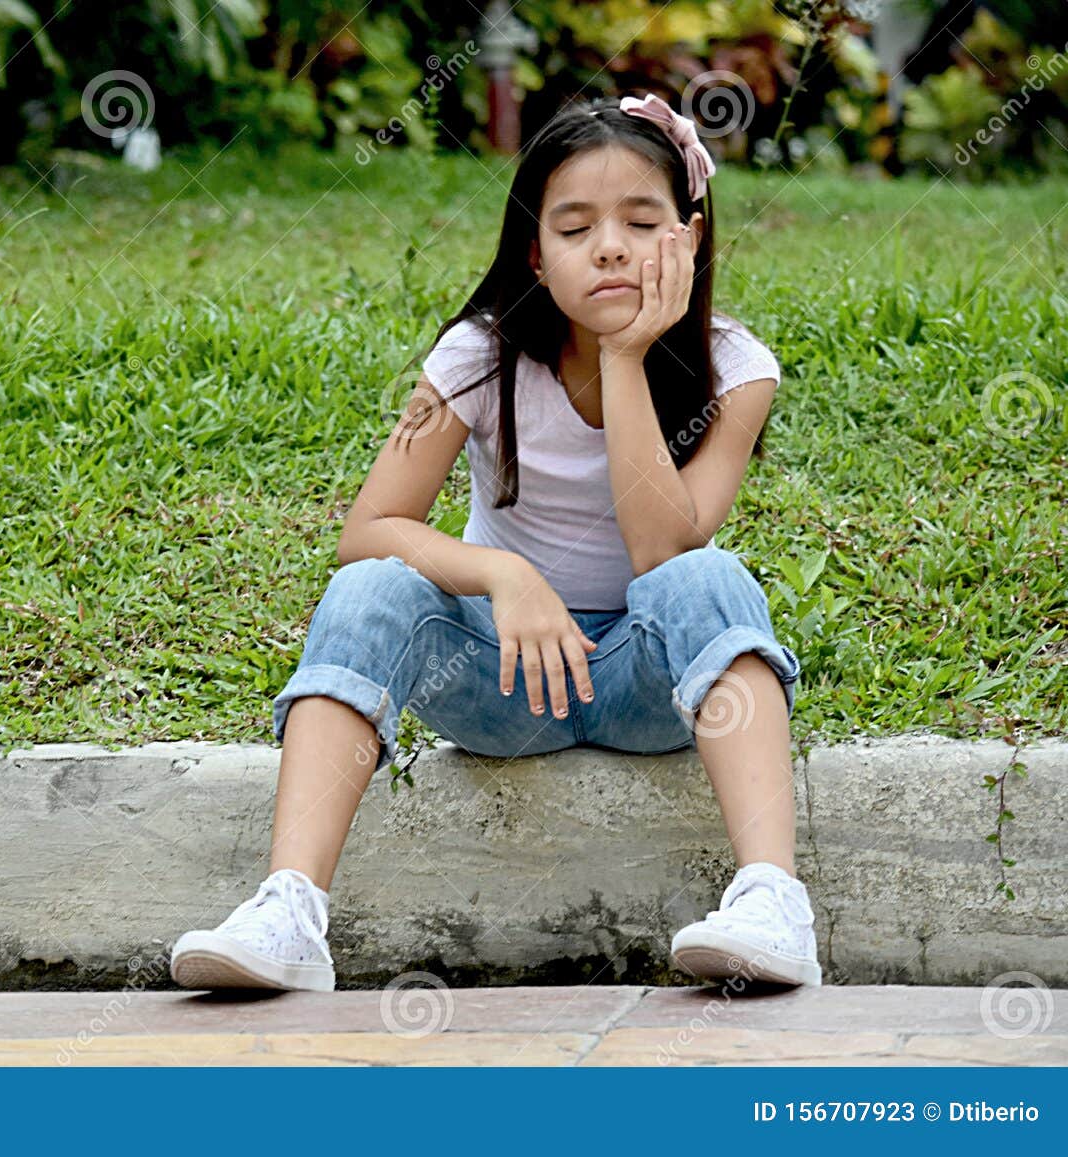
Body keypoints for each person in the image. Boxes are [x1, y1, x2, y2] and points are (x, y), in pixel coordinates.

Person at [169, 92, 819, 994]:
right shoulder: (476, 359)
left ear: (691, 238)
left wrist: (627, 356)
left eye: (642, 220)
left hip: (648, 684)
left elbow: (664, 550)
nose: (611, 247)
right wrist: (501, 573)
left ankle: (773, 898)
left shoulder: (736, 370)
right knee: (370, 592)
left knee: (710, 577)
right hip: (508, 678)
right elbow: (369, 529)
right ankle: (288, 910)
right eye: (574, 226)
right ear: (534, 253)